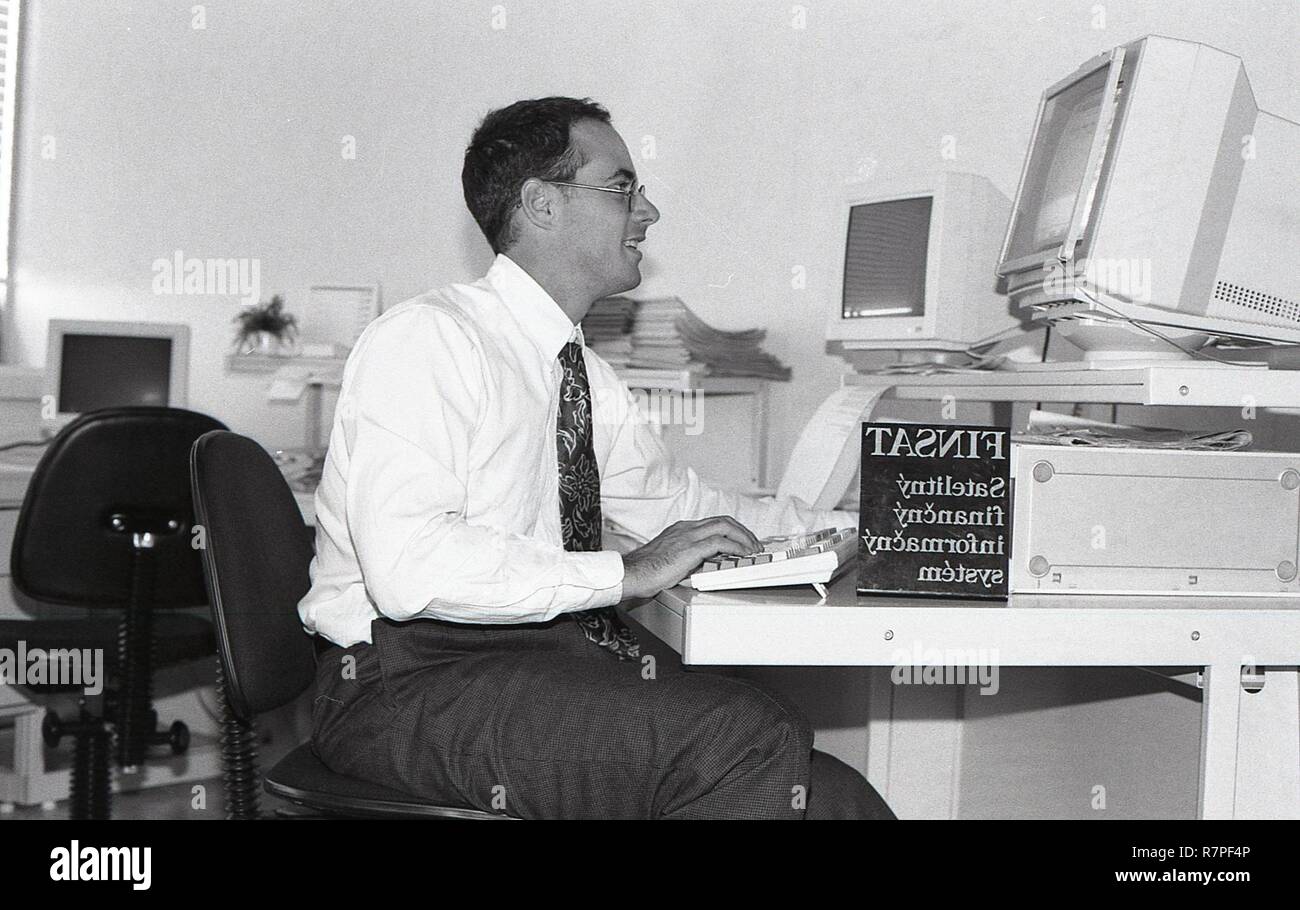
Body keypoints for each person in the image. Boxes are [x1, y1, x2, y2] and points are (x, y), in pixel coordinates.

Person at [299, 96, 894, 819]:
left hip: (522, 662)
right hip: (398, 682)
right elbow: (408, 572)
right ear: (541, 205)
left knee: (827, 792)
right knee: (743, 736)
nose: (648, 211)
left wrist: (849, 525)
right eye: (622, 187)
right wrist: (625, 573)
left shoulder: (582, 374)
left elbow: (680, 508)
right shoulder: (426, 341)